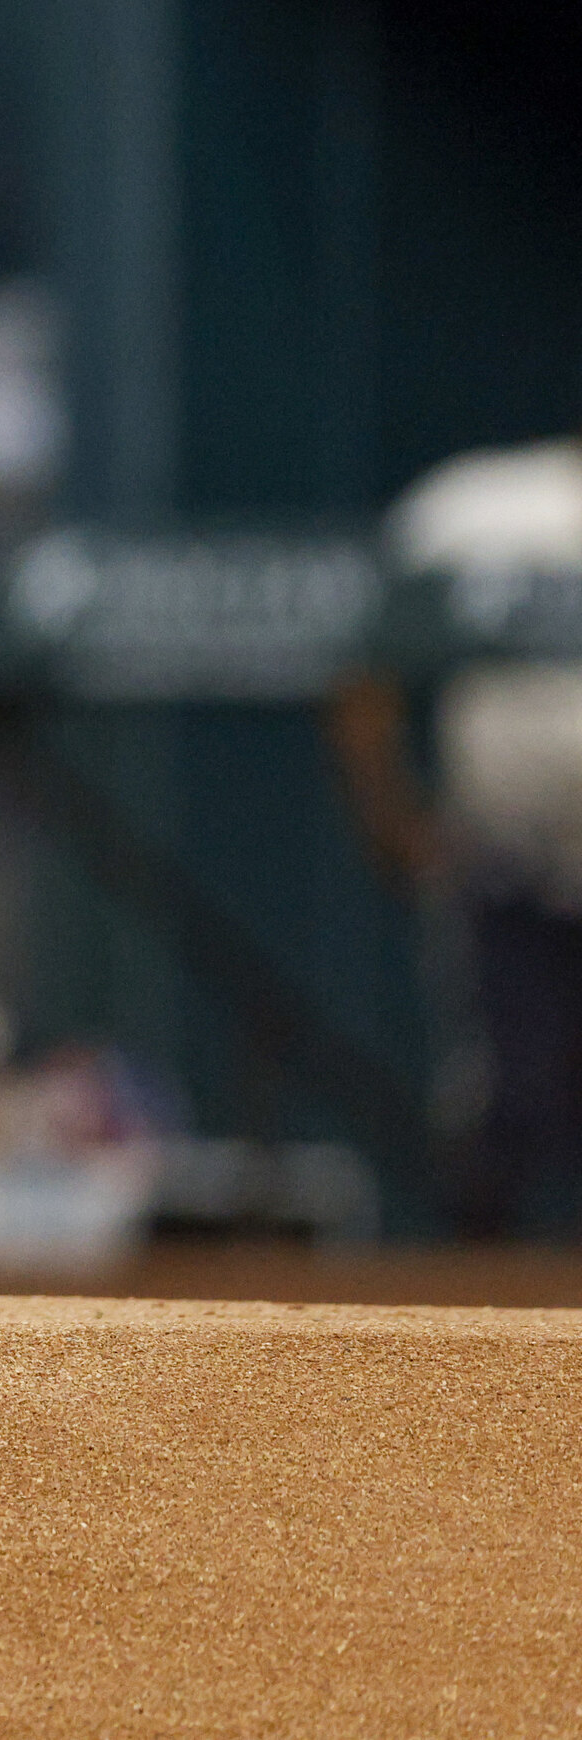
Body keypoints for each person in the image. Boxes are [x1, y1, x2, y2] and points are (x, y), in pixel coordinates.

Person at [330, 435, 582, 1236]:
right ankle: (476, 1349)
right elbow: (357, 639)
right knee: (506, 1109)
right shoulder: (485, 501)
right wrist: (391, 810)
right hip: (511, 858)